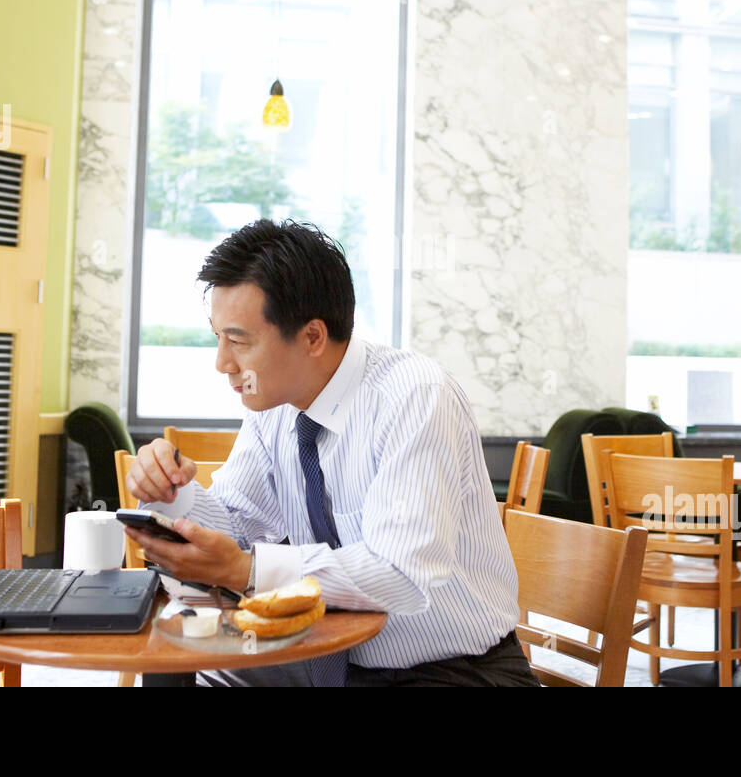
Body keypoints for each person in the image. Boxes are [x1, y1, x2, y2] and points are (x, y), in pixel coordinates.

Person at [124, 219, 537, 686]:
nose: (222, 363)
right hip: (328, 658)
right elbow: (238, 522)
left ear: (313, 336)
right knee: (172, 661)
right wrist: (172, 493)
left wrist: (248, 571)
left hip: (449, 670)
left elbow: (400, 572)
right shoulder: (273, 407)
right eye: (217, 337)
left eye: (238, 341)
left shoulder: (415, 397)